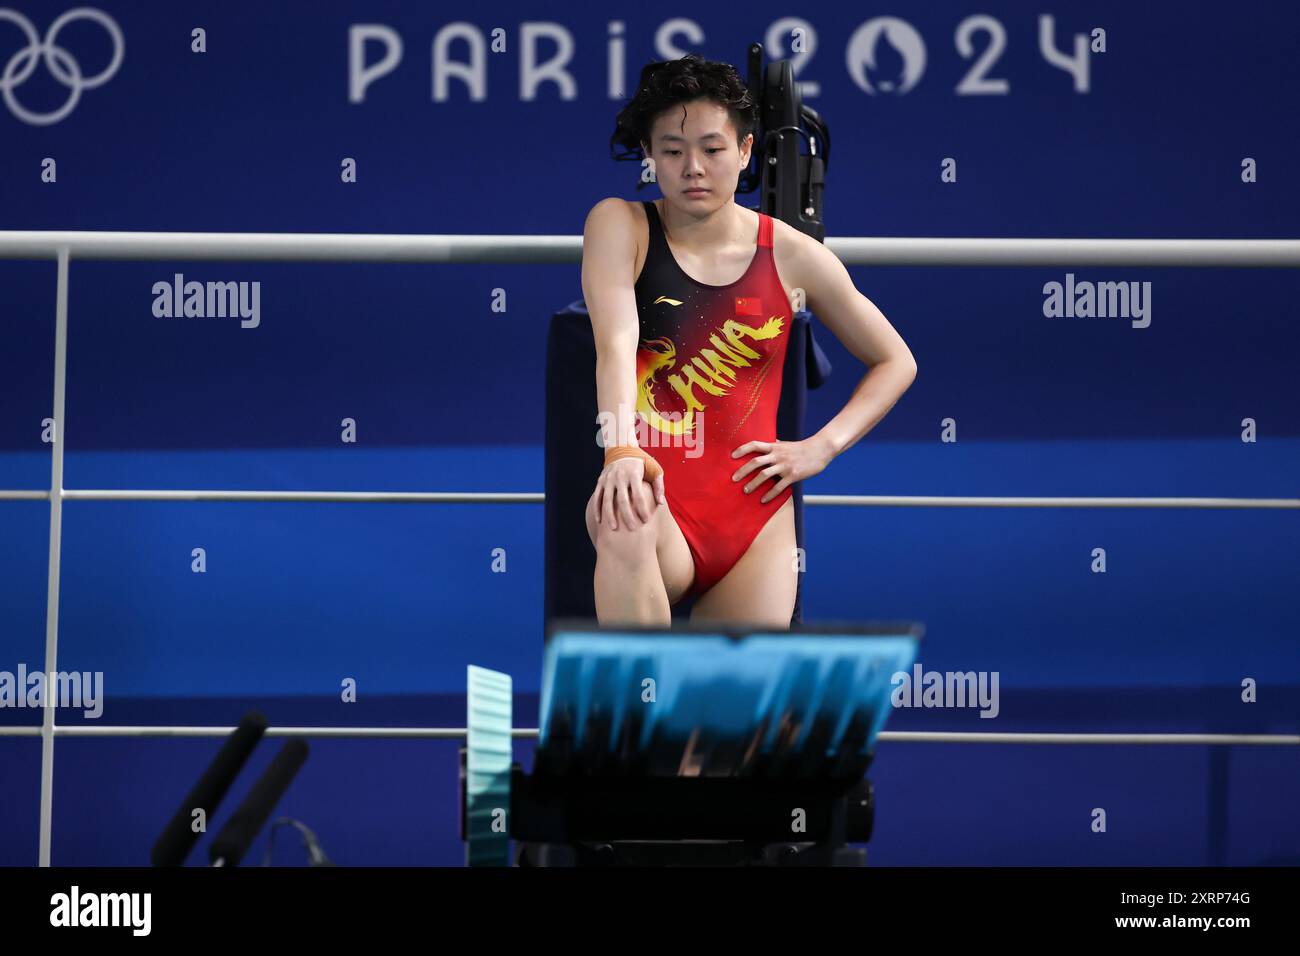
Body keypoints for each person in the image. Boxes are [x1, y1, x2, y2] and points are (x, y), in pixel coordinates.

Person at [580, 54, 917, 628]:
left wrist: (823, 446)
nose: (693, 168)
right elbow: (615, 342)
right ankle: (636, 711)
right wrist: (619, 451)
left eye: (712, 149)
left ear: (744, 151)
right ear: (650, 157)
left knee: (729, 718)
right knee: (622, 517)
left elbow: (895, 361)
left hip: (754, 520)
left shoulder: (791, 252)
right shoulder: (619, 224)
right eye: (672, 151)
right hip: (651, 494)